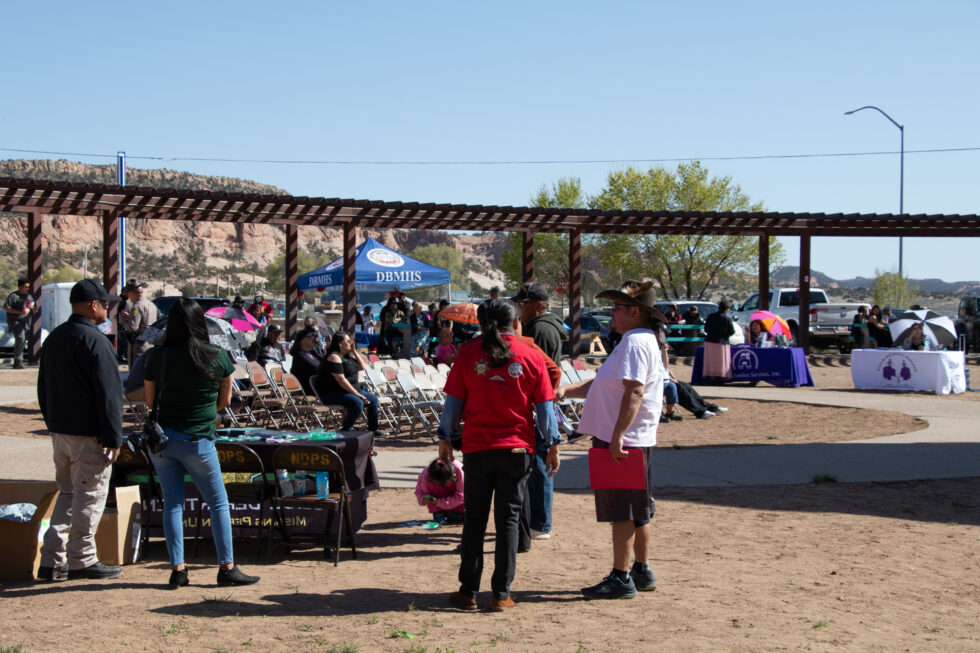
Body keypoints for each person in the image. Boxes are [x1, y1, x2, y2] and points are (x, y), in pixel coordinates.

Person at [436, 299, 561, 612]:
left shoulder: (467, 354)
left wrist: (444, 438)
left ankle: (467, 592)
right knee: (509, 520)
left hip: (478, 448)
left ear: (481, 324)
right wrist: (553, 444)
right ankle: (502, 594)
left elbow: (453, 403)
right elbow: (546, 409)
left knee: (475, 520)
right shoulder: (531, 354)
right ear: (516, 323)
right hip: (518, 450)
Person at [556, 280, 666, 600]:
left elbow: (635, 391)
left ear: (635, 312)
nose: (612, 314)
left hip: (623, 440)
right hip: (632, 438)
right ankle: (641, 570)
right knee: (638, 510)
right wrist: (566, 390)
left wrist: (618, 436)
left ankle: (621, 576)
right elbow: (607, 383)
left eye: (617, 308)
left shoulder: (635, 342)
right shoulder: (639, 340)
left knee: (622, 511)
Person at [144, 298, 259, 589]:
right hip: (198, 438)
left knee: (173, 504)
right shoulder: (217, 355)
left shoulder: (157, 356)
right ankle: (227, 567)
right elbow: (226, 401)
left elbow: (150, 402)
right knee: (217, 503)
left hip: (163, 440)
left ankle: (178, 569)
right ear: (201, 323)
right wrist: (206, 410)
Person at [36, 279, 124, 581]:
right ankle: (82, 559)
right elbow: (109, 394)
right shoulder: (96, 340)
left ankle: (51, 559)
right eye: (105, 303)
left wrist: (53, 423)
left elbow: (43, 387)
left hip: (61, 432)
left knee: (67, 494)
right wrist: (113, 437)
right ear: (92, 305)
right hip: (89, 434)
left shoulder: (55, 337)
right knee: (89, 496)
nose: (108, 308)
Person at [513, 282, 565, 543]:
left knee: (541, 465)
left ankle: (541, 523)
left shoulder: (540, 330)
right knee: (536, 464)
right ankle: (536, 521)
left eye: (524, 304)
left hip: (539, 407)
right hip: (541, 404)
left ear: (539, 305)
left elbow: (548, 371)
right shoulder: (539, 326)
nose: (520, 308)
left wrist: (539, 400)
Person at [315, 331, 382, 435]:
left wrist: (354, 351)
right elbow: (341, 380)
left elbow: (362, 367)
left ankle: (373, 429)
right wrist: (358, 394)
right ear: (340, 344)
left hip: (349, 391)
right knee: (357, 403)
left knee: (373, 399)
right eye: (347, 341)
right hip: (333, 393)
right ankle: (346, 429)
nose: (351, 343)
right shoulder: (334, 357)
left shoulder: (346, 356)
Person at [512, 282, 566, 365]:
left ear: (538, 305)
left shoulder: (540, 329)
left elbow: (536, 367)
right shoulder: (534, 325)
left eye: (522, 303)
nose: (518, 307)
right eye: (517, 303)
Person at [118, 281, 158, 365]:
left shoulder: (136, 307)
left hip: (139, 346)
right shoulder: (152, 305)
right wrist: (130, 317)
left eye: (128, 294)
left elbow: (133, 327)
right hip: (150, 344)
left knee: (136, 370)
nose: (129, 297)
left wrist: (122, 322)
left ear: (132, 293)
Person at [4, 277, 36, 369]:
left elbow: (35, 310)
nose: (27, 289)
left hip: (26, 323)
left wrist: (32, 308)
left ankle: (18, 360)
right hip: (15, 322)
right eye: (25, 287)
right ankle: (18, 361)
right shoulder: (13, 296)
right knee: (20, 338)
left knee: (22, 340)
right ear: (19, 286)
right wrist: (19, 312)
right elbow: (6, 308)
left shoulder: (29, 297)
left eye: (28, 287)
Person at [702, 300, 735, 384]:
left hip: (710, 341)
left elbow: (706, 329)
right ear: (727, 309)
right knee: (720, 361)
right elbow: (732, 331)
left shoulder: (710, 316)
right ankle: (718, 378)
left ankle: (708, 378)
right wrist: (725, 334)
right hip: (722, 342)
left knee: (710, 360)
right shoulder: (727, 318)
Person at [289, 326, 322, 395]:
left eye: (313, 336)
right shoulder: (299, 355)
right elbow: (317, 367)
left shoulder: (312, 353)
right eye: (310, 337)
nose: (313, 338)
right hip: (308, 389)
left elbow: (325, 361)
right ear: (301, 340)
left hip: (317, 386)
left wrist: (328, 346)